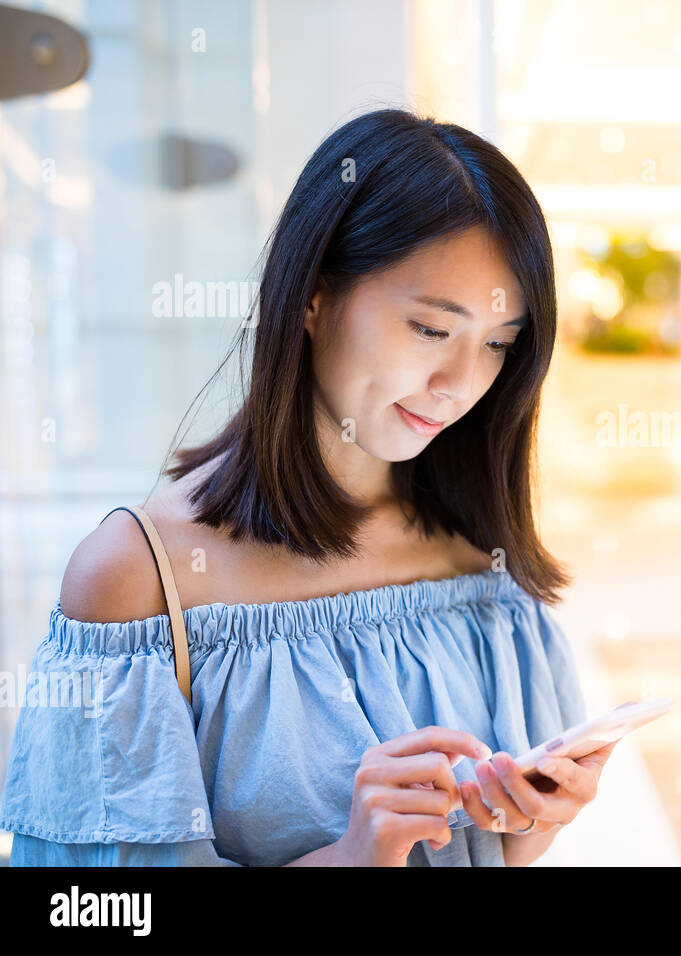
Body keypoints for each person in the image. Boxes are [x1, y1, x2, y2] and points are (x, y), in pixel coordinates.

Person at [0, 109, 616, 866]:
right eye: (429, 329)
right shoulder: (137, 580)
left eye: (495, 345)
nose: (461, 384)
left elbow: (498, 853)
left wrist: (534, 816)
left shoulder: (478, 559)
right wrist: (351, 856)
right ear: (313, 297)